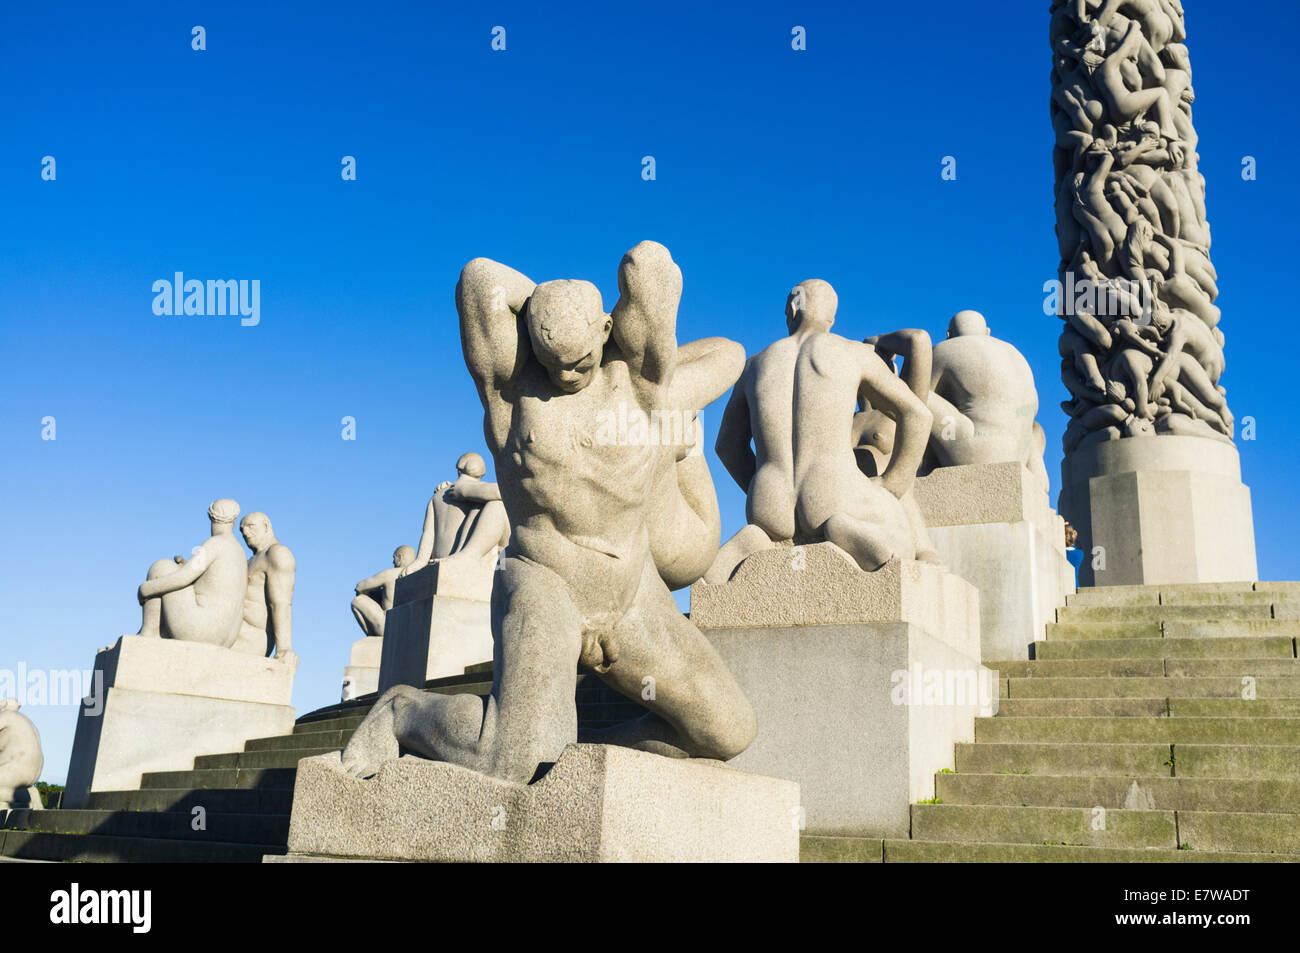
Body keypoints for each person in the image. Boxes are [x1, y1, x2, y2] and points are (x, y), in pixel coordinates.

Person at [341, 241, 756, 784]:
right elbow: (479, 278)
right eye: (552, 359)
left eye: (579, 361)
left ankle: (574, 758)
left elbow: (656, 273)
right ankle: (403, 711)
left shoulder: (646, 385)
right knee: (510, 758)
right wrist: (543, 305)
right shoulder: (509, 394)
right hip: (545, 584)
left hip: (632, 597)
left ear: (607, 333)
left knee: (726, 730)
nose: (564, 375)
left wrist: (618, 285)